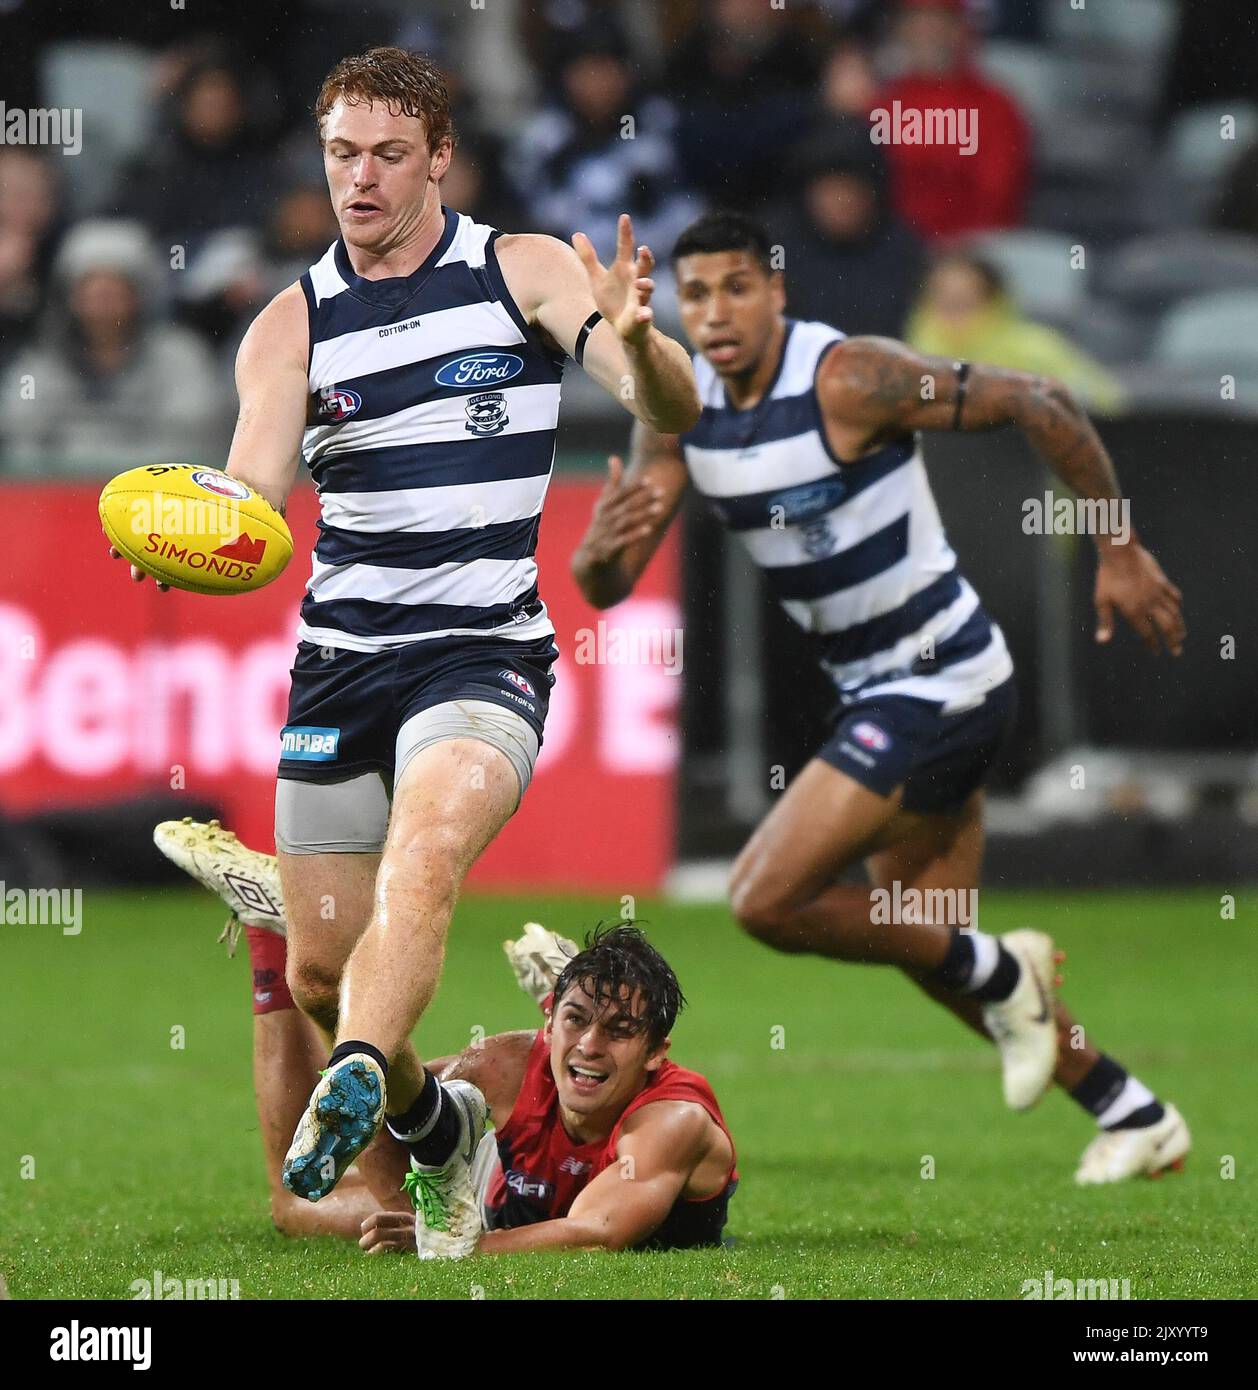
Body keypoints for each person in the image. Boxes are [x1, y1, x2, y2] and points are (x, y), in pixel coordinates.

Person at [110, 46, 700, 1215]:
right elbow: (253, 509)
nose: (361, 178)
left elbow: (669, 403)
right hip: (340, 670)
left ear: (441, 157)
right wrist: (193, 542)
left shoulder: (523, 270)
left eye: (388, 154)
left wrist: (638, 341)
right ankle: (439, 1127)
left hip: (482, 653)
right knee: (330, 972)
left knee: (423, 856)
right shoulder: (288, 327)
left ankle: (359, 1091)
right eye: (341, 154)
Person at [571, 210, 1190, 1184]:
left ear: (777, 293)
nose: (717, 311)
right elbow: (604, 584)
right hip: (878, 690)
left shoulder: (849, 377)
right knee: (932, 946)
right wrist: (603, 546)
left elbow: (1039, 398)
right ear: (675, 309)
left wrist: (1116, 545)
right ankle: (1131, 1107)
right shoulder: (676, 412)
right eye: (696, 295)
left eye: (738, 286)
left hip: (942, 676)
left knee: (765, 898)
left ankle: (1004, 970)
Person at [153, 819, 738, 1257]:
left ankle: (273, 934)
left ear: (659, 1053)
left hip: (502, 1207)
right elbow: (374, 1099)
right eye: (575, 1020)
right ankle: (284, 932)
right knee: (362, 1106)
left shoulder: (672, 1121)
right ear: (547, 1027)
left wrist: (443, 1243)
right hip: (495, 1190)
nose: (590, 1043)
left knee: (293, 1210)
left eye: (619, 1030)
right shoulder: (507, 1064)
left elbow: (593, 1233)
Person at [906, 253, 1126, 416]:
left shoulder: (1035, 347)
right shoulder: (908, 356)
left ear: (994, 301)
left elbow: (1102, 401)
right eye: (943, 300)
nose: (952, 314)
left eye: (965, 302)